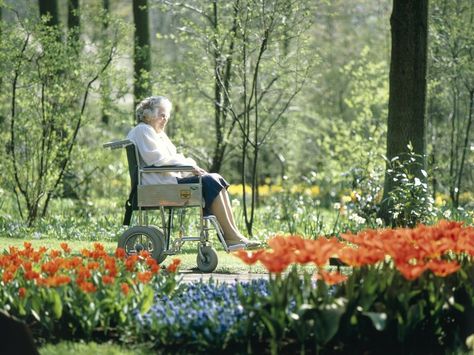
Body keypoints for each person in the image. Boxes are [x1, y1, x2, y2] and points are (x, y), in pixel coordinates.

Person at [127, 96, 259, 249]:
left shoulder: (158, 134)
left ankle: (234, 235)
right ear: (148, 114)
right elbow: (158, 159)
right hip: (159, 184)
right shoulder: (143, 130)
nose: (165, 119)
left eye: (167, 116)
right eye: (161, 115)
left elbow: (172, 157)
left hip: (168, 181)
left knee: (215, 179)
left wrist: (190, 168)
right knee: (210, 181)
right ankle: (230, 237)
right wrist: (189, 168)